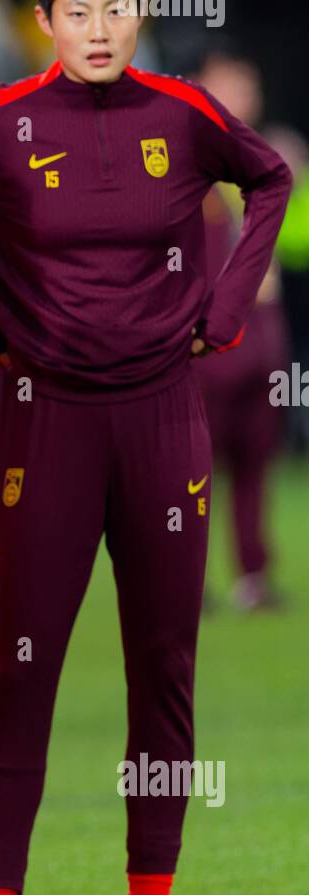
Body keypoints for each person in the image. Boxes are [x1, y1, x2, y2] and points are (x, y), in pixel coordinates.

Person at [0, 0, 291, 895]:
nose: (98, 27)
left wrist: (222, 301)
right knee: (26, 668)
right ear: (44, 24)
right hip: (46, 422)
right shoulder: (0, 121)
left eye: (114, 6)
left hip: (164, 420)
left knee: (164, 662)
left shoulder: (182, 112)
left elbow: (269, 183)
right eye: (76, 10)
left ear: (137, 12)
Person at [192, 54, 289, 610]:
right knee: (195, 471)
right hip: (209, 339)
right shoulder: (185, 167)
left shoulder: (269, 160)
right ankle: (190, 580)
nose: (240, 92)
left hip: (266, 330)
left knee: (256, 460)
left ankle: (254, 578)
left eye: (245, 82)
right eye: (227, 81)